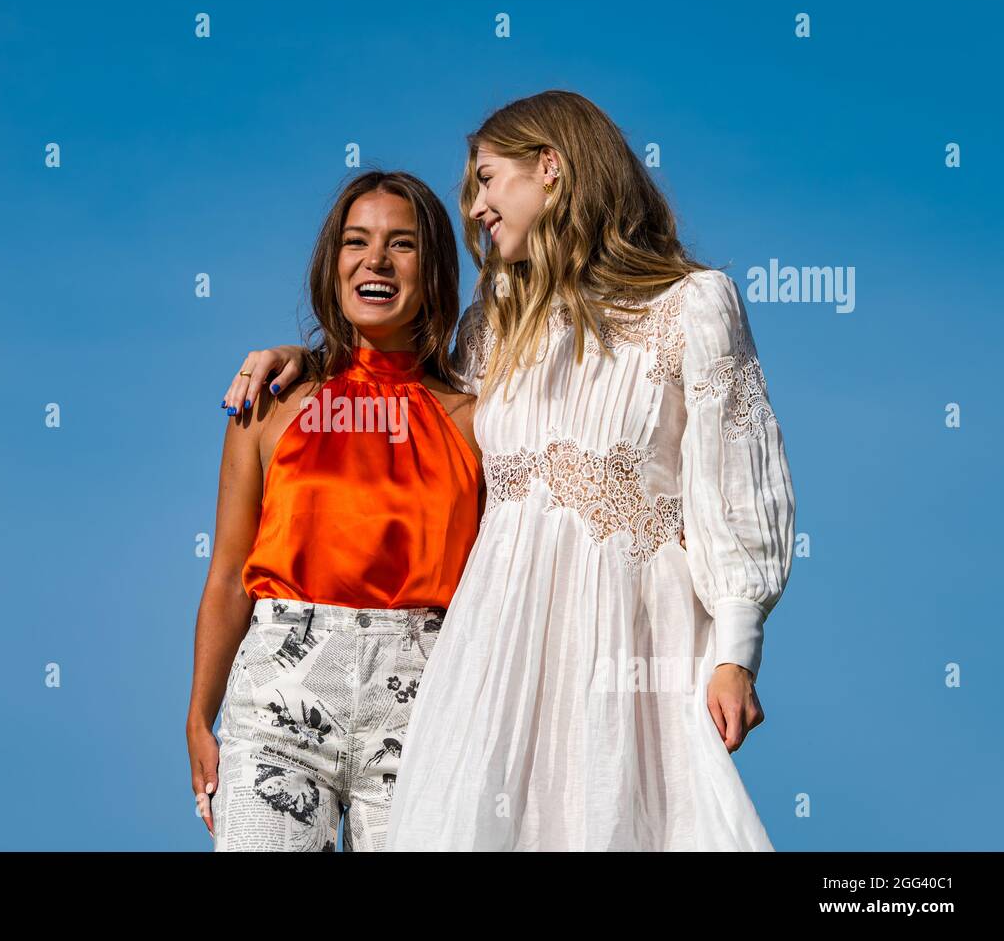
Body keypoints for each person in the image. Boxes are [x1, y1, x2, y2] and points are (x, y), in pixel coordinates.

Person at [218, 90, 796, 850]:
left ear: (550, 168)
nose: (477, 210)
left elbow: (738, 488)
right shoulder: (493, 325)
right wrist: (311, 359)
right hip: (492, 642)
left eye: (488, 181)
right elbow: (409, 398)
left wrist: (735, 654)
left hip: (631, 641)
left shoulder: (694, 305)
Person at [186, 170, 483, 851]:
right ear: (333, 262)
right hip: (276, 699)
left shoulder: (477, 422)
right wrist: (200, 716)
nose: (375, 259)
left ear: (432, 270)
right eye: (357, 241)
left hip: (425, 700)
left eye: (401, 244)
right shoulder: (268, 405)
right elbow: (230, 571)